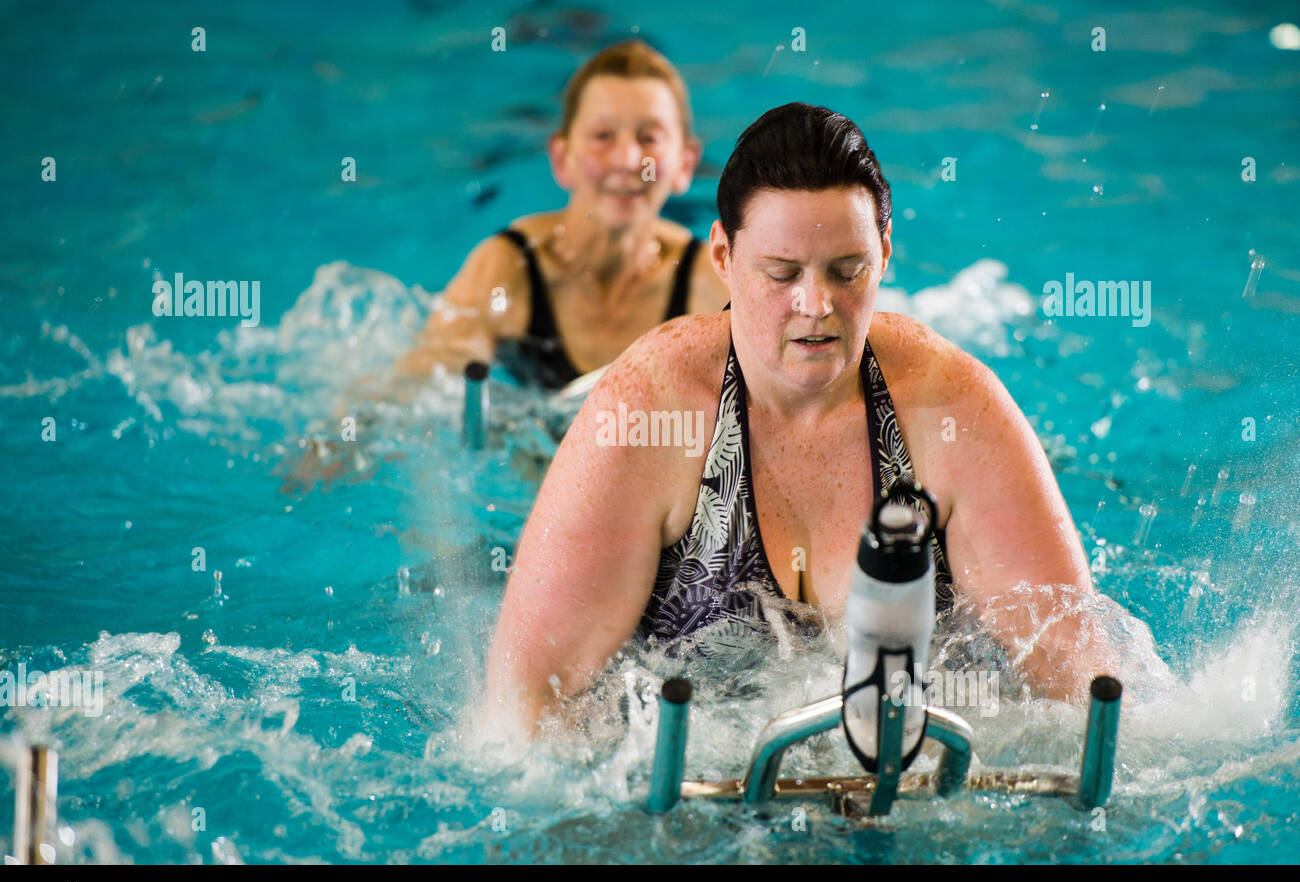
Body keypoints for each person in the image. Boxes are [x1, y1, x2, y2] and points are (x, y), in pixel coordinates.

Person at [486, 103, 1120, 737]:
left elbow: (1084, 690)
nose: (817, 305)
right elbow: (526, 710)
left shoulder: (952, 407)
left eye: (848, 271)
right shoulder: (650, 408)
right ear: (722, 258)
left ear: (885, 255)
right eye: (781, 273)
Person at [394, 39, 729, 391]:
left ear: (686, 164)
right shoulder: (509, 271)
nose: (629, 159)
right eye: (603, 136)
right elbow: (414, 395)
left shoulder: (707, 286)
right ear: (561, 158)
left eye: (649, 137)